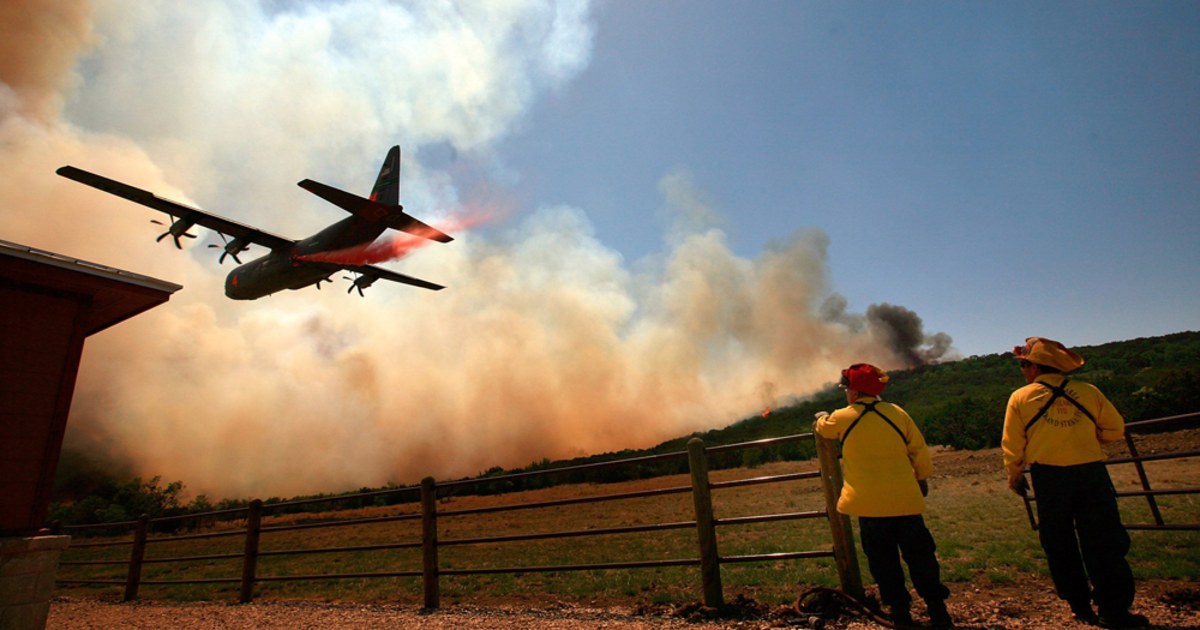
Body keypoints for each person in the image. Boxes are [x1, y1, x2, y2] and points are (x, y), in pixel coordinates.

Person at [1003, 337, 1148, 629]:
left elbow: (1012, 445)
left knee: (1058, 542)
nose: (1023, 370)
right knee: (1104, 541)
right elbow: (1115, 429)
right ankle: (1114, 610)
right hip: (1090, 475)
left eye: (1025, 364)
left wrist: (1014, 475)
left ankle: (1079, 604)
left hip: (1050, 479)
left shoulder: (1020, 398)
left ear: (1036, 367)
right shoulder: (1088, 392)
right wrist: (1089, 438)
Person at [816, 363, 952, 629]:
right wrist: (921, 477)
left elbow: (823, 428)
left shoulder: (842, 417)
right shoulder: (898, 413)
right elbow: (920, 451)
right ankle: (938, 611)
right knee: (921, 557)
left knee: (883, 562)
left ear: (854, 391)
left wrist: (821, 416)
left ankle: (900, 614)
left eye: (848, 389)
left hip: (870, 507)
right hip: (906, 502)